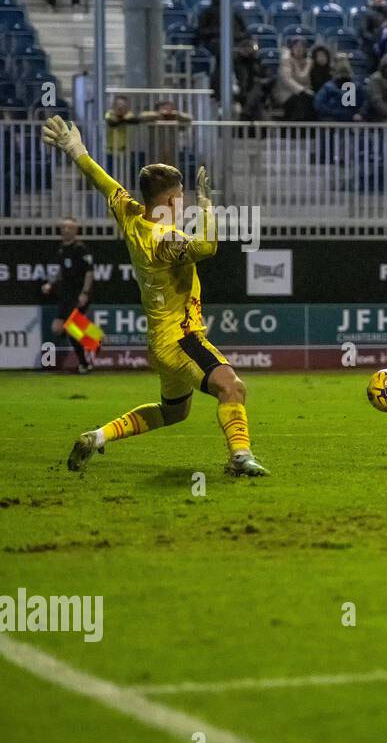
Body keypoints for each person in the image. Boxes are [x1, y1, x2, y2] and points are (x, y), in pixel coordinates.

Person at [42, 116, 268, 476]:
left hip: (159, 344)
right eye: (183, 197)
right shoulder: (164, 241)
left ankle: (96, 437)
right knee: (232, 387)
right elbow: (207, 247)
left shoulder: (131, 216)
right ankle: (240, 458)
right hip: (181, 338)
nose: (186, 203)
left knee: (174, 412)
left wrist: (77, 151)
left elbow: (105, 184)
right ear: (171, 198)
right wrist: (208, 207)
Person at [40, 217, 95, 373]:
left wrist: (84, 292)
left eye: (69, 228)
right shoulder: (62, 249)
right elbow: (61, 272)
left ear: (76, 230)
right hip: (66, 295)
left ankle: (85, 362)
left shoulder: (80, 248)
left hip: (78, 294)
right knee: (58, 328)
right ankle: (92, 339)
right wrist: (50, 284)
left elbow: (89, 272)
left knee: (69, 327)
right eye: (63, 228)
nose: (66, 230)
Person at [275, 37, 316, 120]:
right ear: (292, 48)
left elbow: (306, 79)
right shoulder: (286, 60)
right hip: (287, 94)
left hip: (305, 94)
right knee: (300, 101)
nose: (299, 49)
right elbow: (287, 80)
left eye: (302, 47)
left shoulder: (309, 62)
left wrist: (308, 65)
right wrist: (302, 90)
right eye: (296, 46)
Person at [314, 54, 364, 121]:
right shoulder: (328, 87)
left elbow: (362, 103)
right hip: (331, 123)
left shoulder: (356, 87)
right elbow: (319, 105)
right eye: (338, 62)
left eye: (343, 61)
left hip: (350, 123)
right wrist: (332, 114)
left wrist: (360, 114)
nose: (342, 64)